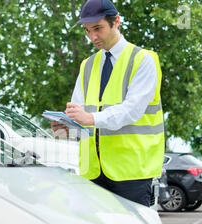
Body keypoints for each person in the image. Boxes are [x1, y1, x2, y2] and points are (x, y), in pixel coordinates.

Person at [51, 0, 164, 207]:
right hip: (92, 172)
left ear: (116, 22)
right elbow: (81, 115)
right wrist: (67, 128)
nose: (93, 37)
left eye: (98, 28)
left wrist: (90, 118)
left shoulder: (143, 59)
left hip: (131, 172)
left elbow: (132, 110)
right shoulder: (87, 65)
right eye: (87, 31)